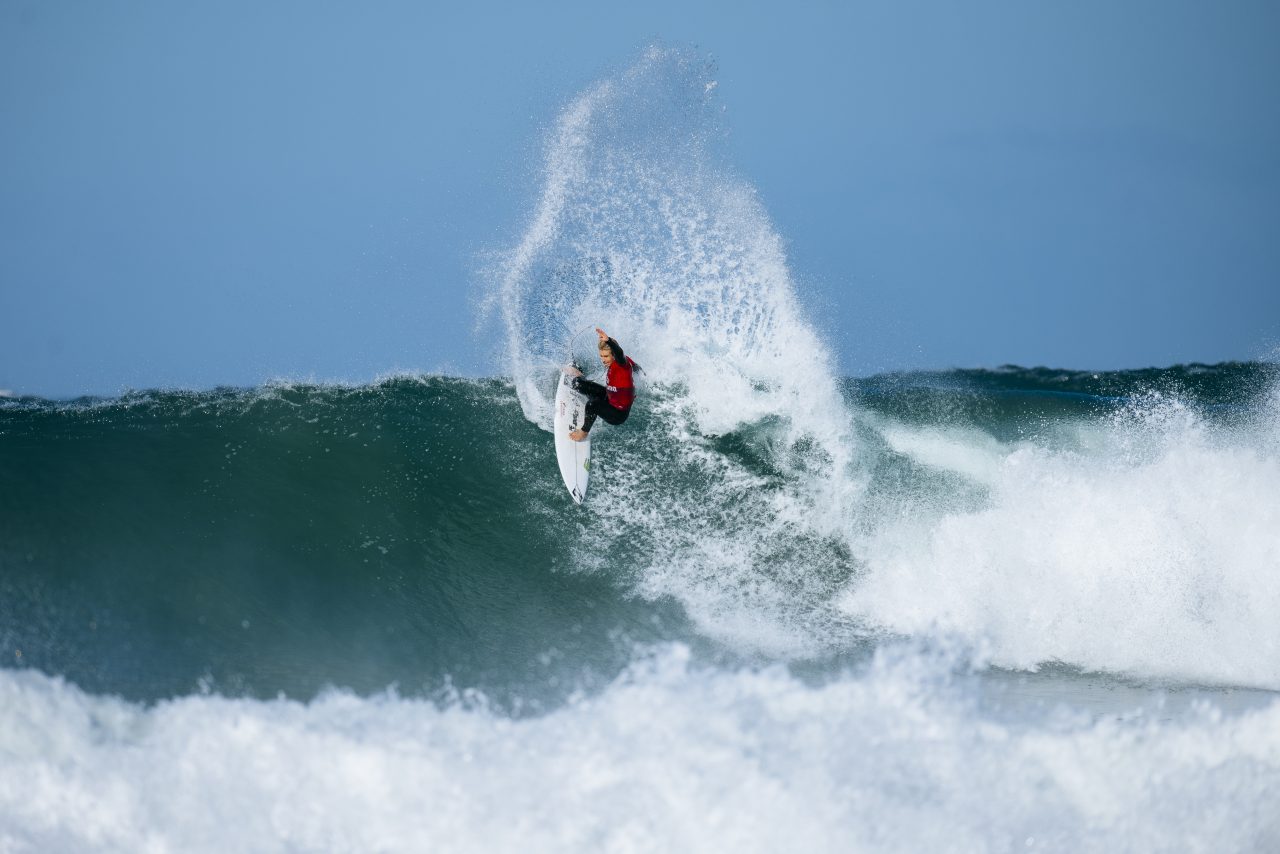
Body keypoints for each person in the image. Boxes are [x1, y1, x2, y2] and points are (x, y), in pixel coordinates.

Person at [566, 328, 639, 442]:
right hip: (609, 397)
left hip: (617, 414)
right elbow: (635, 367)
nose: (603, 360)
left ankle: (584, 432)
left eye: (606, 356)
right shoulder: (624, 362)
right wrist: (642, 375)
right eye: (601, 356)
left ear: (614, 355)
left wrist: (608, 340)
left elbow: (620, 354)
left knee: (592, 405)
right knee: (578, 384)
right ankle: (579, 373)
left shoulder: (622, 364)